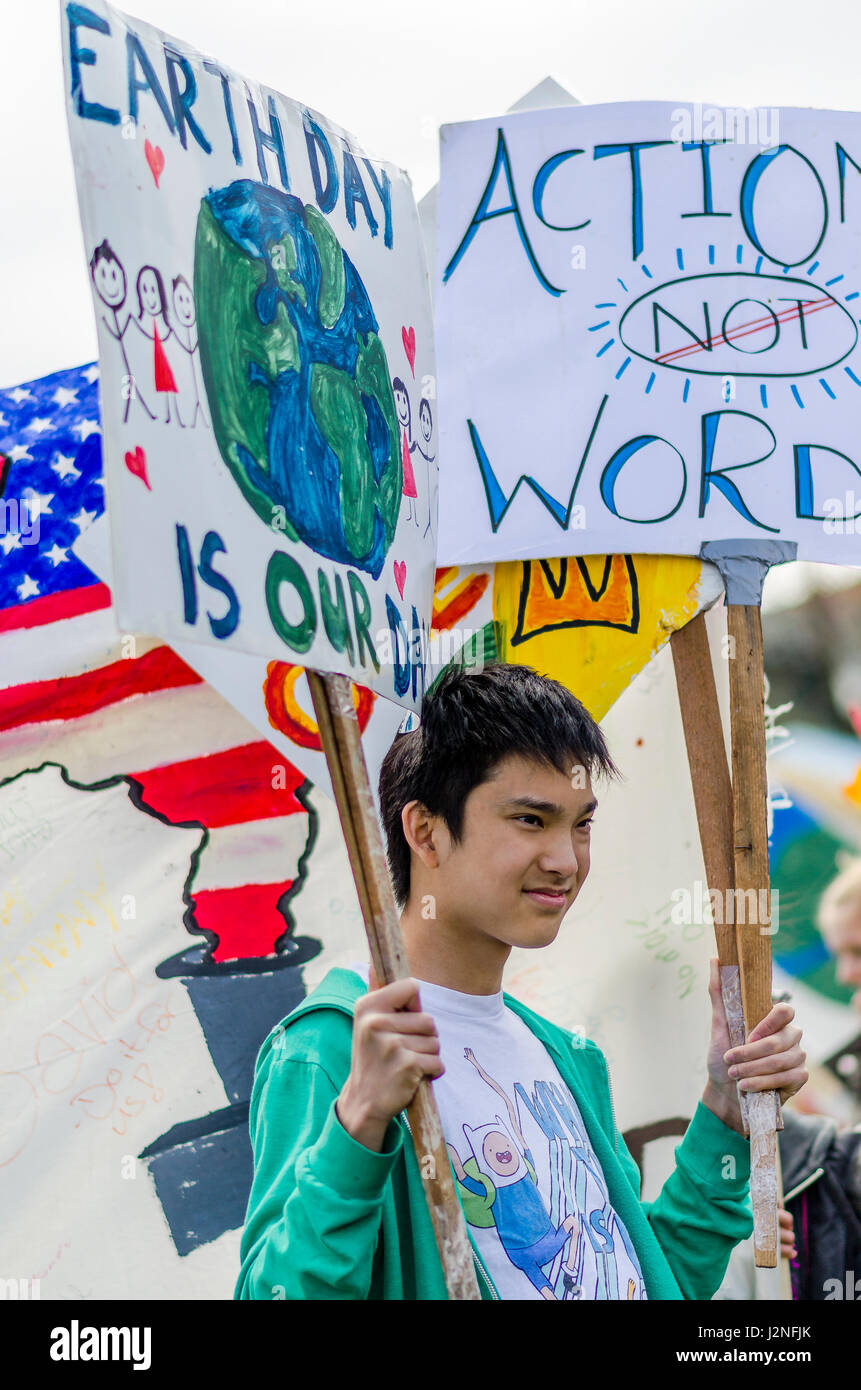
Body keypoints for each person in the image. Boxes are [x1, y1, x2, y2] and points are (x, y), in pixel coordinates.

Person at [235, 663, 807, 1300]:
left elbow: (645, 1281)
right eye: (531, 820)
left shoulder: (568, 1056)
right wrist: (360, 1120)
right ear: (425, 831)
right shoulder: (331, 1051)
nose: (565, 860)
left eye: (581, 824)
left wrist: (727, 1110)